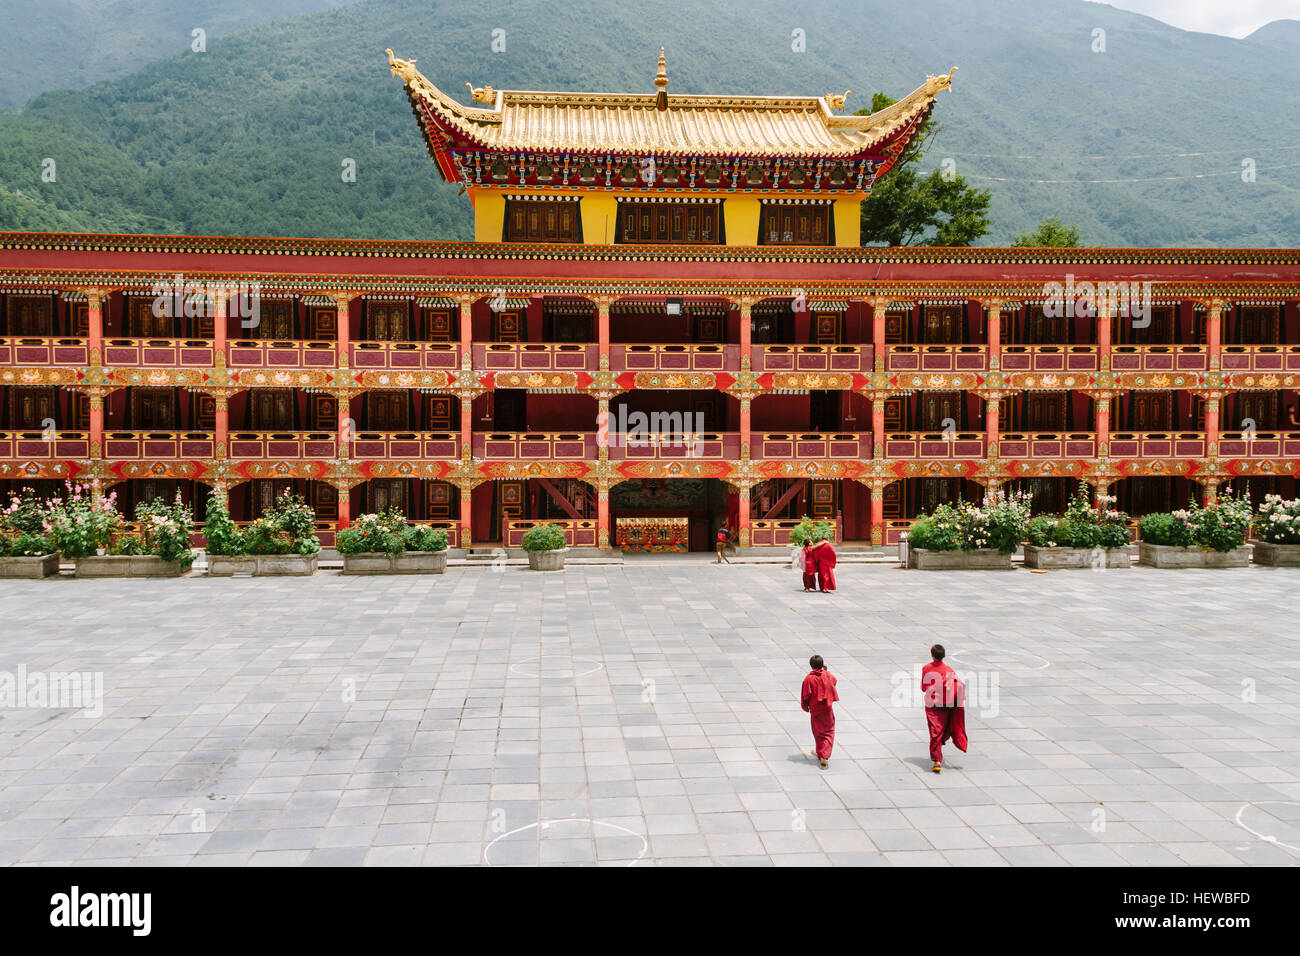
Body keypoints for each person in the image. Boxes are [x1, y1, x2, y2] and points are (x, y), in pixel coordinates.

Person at [921, 644, 967, 773]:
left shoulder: (926, 668)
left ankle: (937, 760)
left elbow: (923, 687)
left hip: (932, 704)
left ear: (932, 655)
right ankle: (938, 754)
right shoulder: (949, 670)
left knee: (934, 730)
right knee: (940, 728)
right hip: (946, 704)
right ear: (944, 656)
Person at [801, 654, 839, 768]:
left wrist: (805, 707)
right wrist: (826, 671)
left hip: (815, 710)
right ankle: (823, 754)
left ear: (811, 666)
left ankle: (822, 754)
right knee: (828, 732)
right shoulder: (827, 675)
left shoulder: (809, 678)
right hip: (827, 709)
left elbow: (805, 695)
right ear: (822, 665)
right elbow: (834, 681)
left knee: (818, 732)